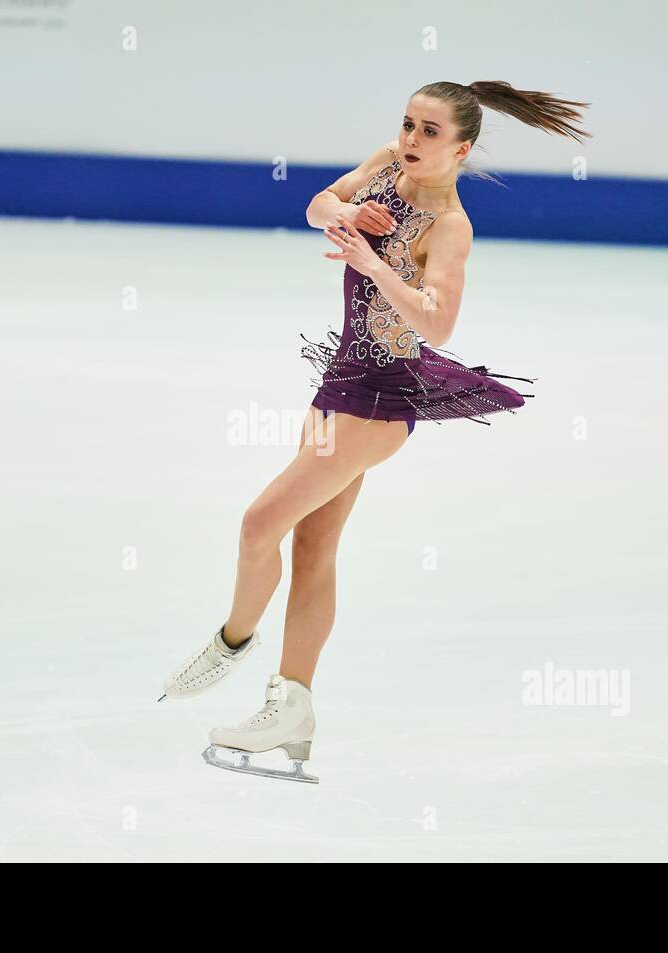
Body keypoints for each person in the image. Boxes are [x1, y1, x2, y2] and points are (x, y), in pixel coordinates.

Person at [163, 80, 590, 782]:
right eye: (408, 124)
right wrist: (345, 211)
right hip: (341, 376)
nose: (412, 139)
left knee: (257, 524)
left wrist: (374, 263)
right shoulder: (389, 164)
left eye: (429, 132)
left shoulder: (451, 226)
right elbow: (316, 204)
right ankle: (292, 707)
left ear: (461, 148)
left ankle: (232, 640)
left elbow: (438, 321)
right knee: (311, 545)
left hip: (382, 398)